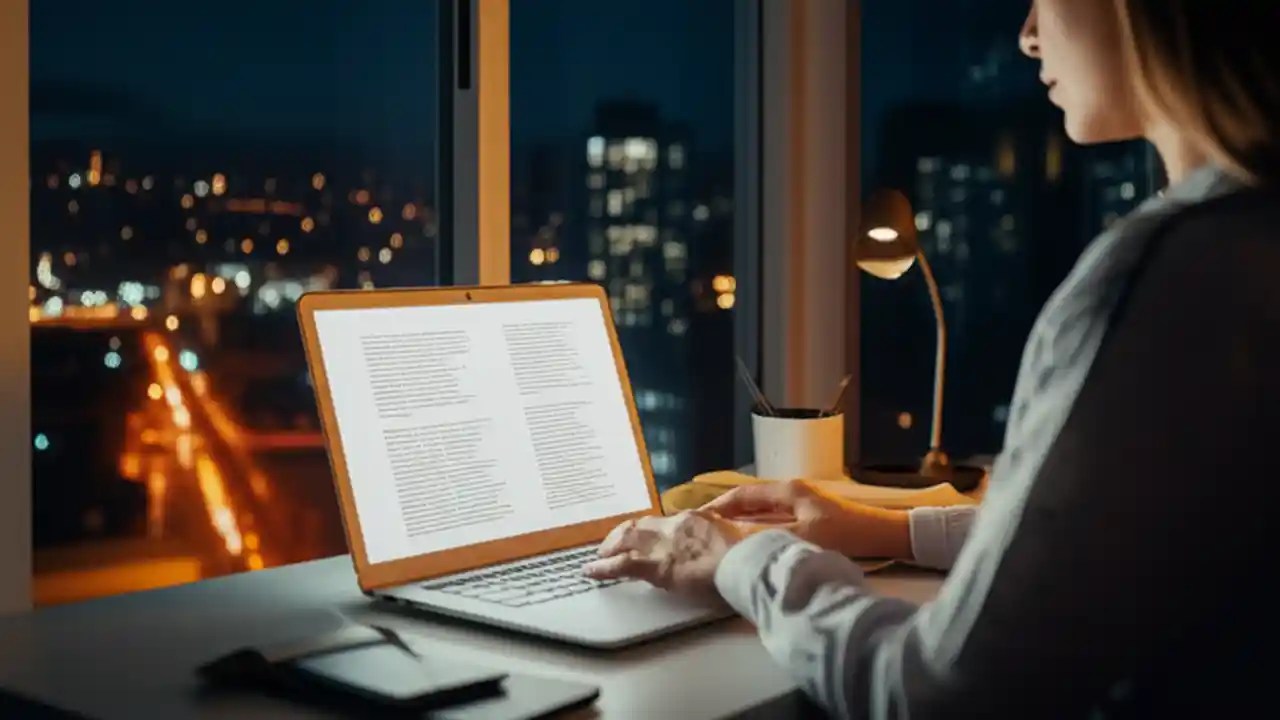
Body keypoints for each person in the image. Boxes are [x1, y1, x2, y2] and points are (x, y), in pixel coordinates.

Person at [584, 0, 1280, 716]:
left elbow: (936, 693)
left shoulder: (1169, 274)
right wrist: (881, 529)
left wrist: (739, 560)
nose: (1029, 34)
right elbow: (1113, 533)